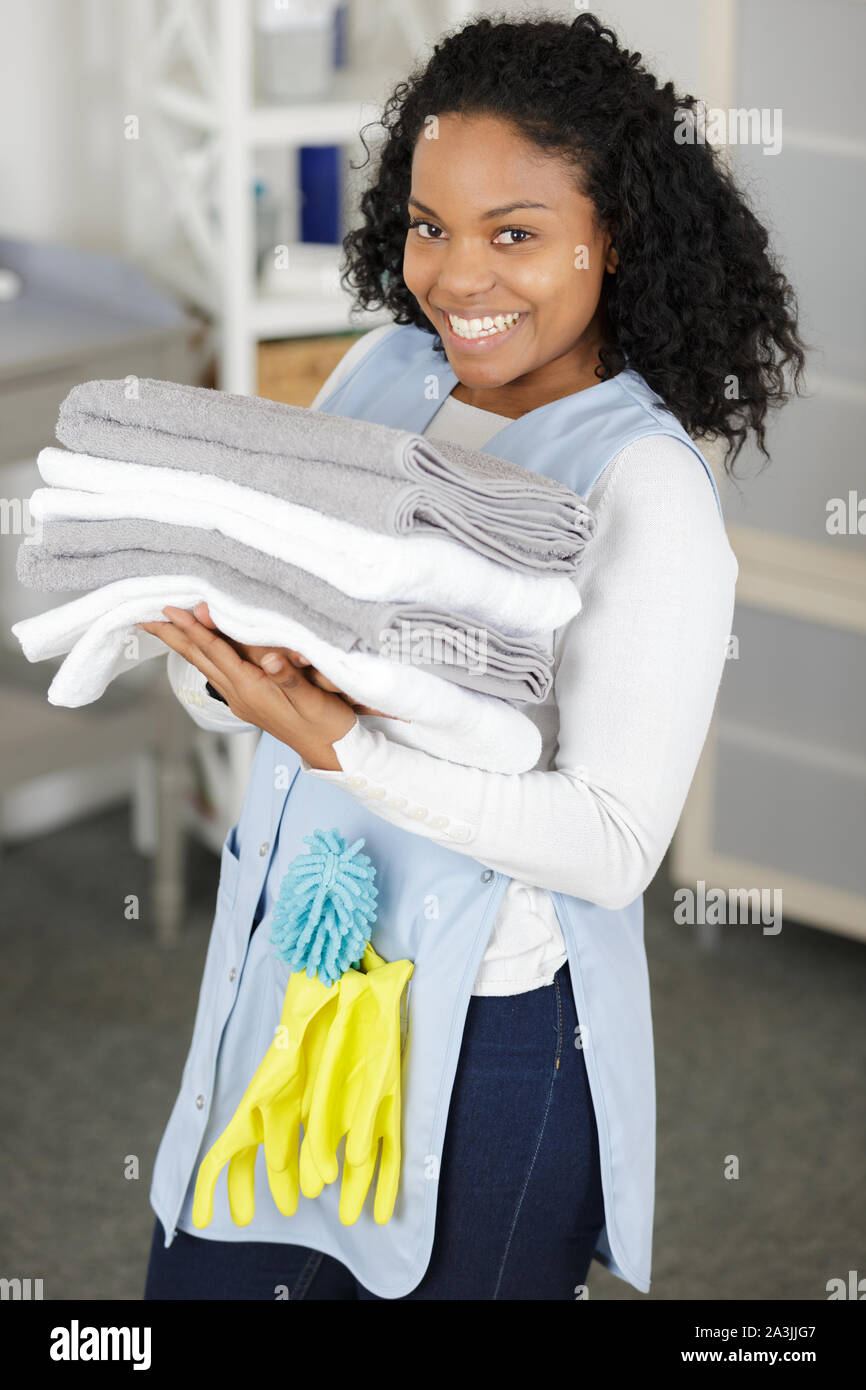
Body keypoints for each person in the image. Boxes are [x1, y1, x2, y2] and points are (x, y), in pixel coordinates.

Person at [138, 12, 806, 1300]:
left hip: (489, 1044)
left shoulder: (642, 487)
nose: (458, 278)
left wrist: (337, 740)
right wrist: (214, 655)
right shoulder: (383, 376)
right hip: (290, 977)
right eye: (430, 227)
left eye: (516, 233)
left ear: (613, 235)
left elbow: (610, 843)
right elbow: (265, 661)